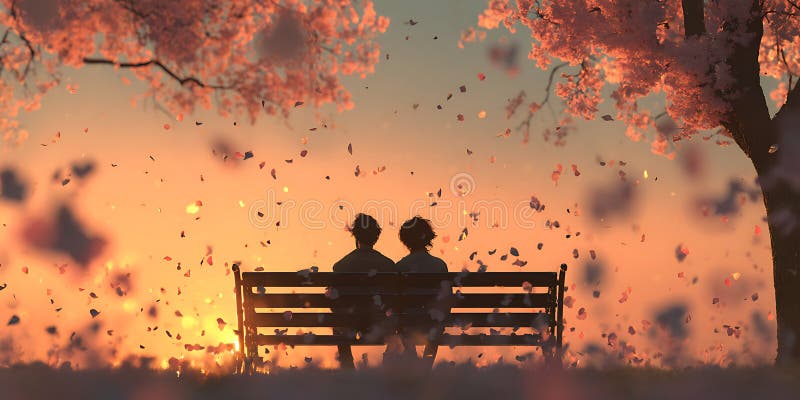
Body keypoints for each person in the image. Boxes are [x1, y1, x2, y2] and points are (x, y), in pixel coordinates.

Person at [331, 213, 395, 369]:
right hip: (380, 323)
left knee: (338, 323)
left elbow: (334, 302)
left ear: (355, 235)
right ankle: (386, 366)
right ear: (376, 237)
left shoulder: (341, 266)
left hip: (350, 323)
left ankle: (348, 366)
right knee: (397, 322)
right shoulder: (388, 266)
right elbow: (394, 302)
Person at [393, 216, 450, 368]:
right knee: (436, 324)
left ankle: (413, 359)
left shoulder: (399, 267)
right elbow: (446, 300)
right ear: (428, 237)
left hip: (406, 324)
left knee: (402, 320)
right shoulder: (439, 266)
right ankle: (425, 366)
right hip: (432, 325)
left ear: (405, 240)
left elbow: (394, 302)